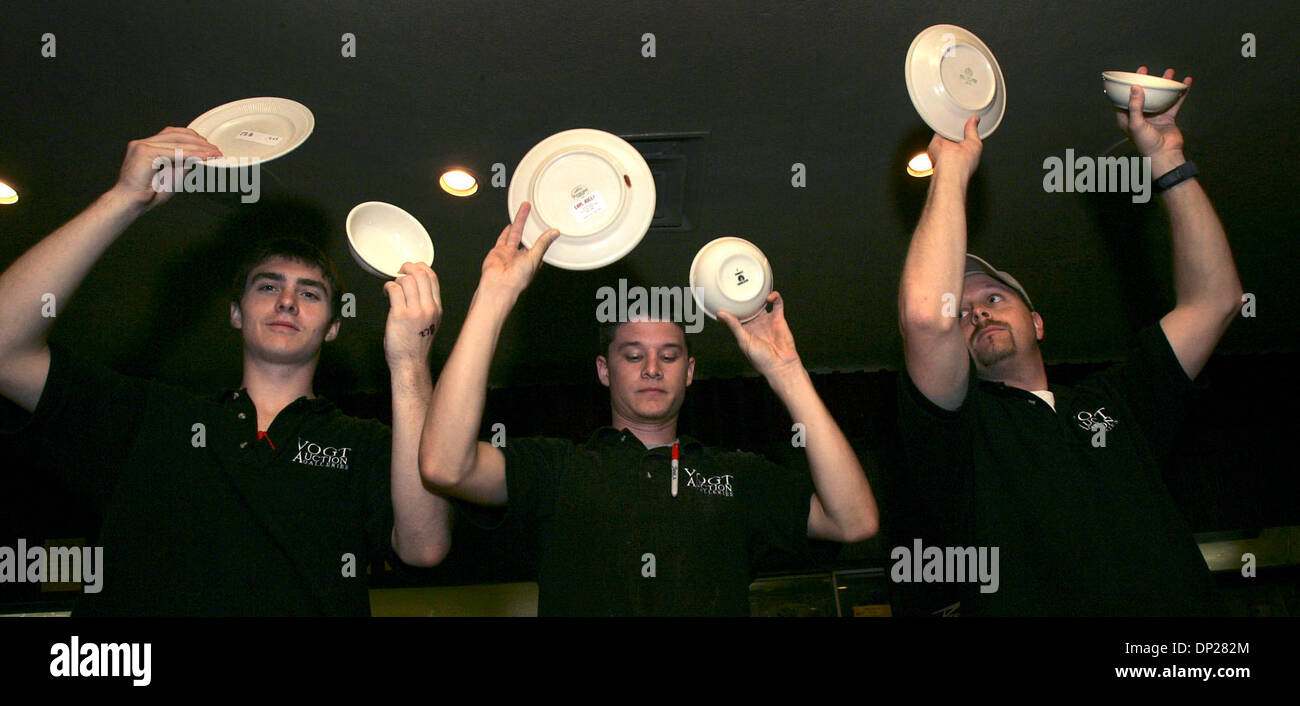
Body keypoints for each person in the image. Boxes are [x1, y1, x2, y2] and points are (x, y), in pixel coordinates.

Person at [0, 127, 451, 615]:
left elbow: (423, 547)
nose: (286, 301)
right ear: (235, 313)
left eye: (309, 293)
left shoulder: (366, 447)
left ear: (334, 327)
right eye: (267, 286)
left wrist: (409, 363)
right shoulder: (151, 417)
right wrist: (122, 200)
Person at [418, 203, 878, 616]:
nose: (653, 368)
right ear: (604, 370)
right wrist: (494, 297)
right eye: (633, 356)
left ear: (690, 371)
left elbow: (854, 521)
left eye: (670, 356)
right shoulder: (557, 470)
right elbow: (444, 465)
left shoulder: (738, 478)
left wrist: (787, 369)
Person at [896, 68, 1241, 615]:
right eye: (962, 313)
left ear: (1037, 323)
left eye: (993, 298)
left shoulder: (1118, 401)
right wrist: (954, 169)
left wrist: (1167, 158)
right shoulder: (960, 436)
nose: (976, 312)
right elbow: (924, 317)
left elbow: (1215, 301)